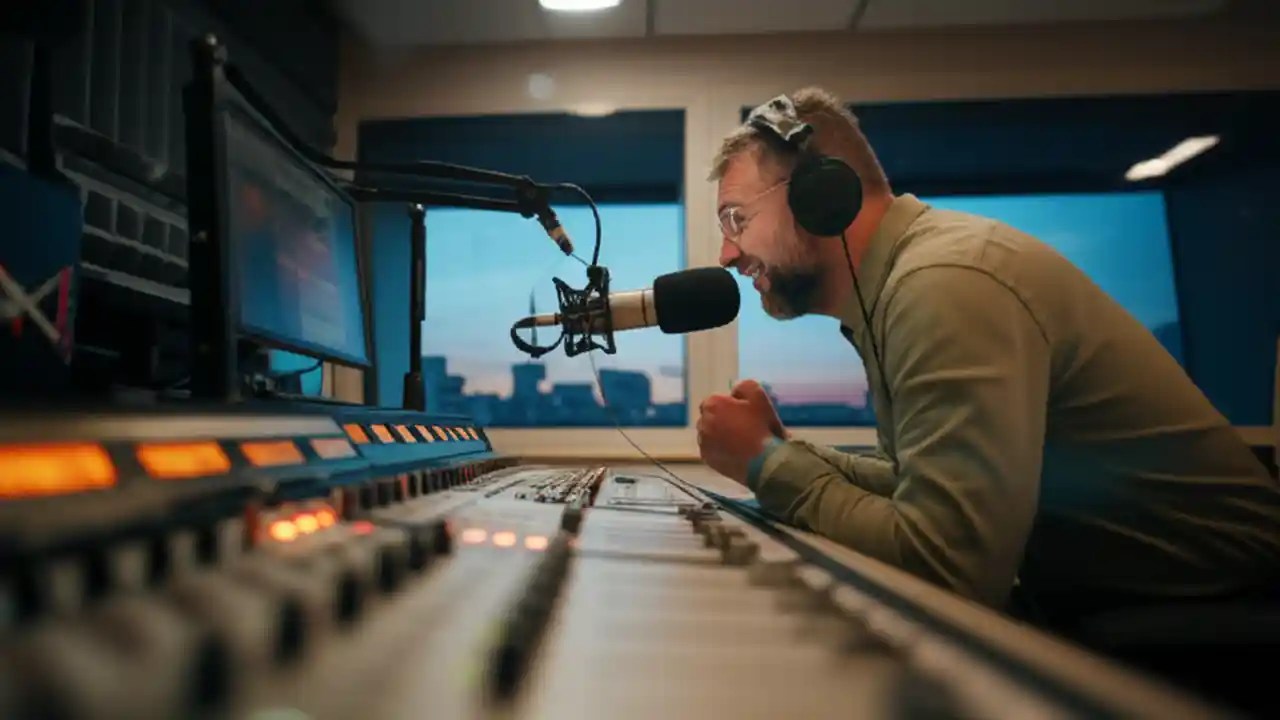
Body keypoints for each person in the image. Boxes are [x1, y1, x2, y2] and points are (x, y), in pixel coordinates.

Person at [696, 87, 1280, 624]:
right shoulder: (898, 288)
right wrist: (785, 454)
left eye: (736, 219)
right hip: (1128, 595)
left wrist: (768, 467)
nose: (727, 252)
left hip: (1216, 614)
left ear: (823, 195)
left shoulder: (944, 284)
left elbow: (949, 566)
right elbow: (919, 485)